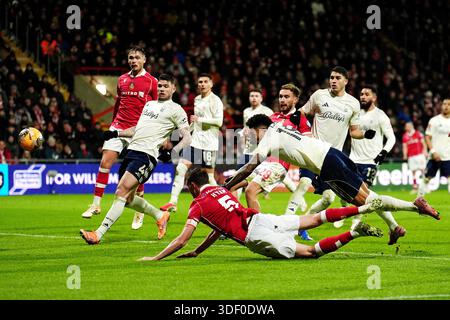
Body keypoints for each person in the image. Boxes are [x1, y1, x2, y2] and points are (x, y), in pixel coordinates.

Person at [222, 115, 440, 229]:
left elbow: (250, 166)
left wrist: (228, 184)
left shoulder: (268, 136)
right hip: (332, 152)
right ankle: (395, 225)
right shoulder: (279, 127)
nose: (252, 137)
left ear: (260, 128)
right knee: (367, 197)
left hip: (326, 165)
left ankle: (415, 206)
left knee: (366, 202)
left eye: (252, 132)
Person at [139, 167, 385, 261]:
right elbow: (218, 227)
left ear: (192, 186)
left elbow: (182, 238)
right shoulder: (219, 189)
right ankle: (362, 208)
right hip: (261, 217)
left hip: (255, 236)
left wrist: (156, 258)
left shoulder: (197, 205)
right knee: (312, 219)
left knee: (309, 252)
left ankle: (353, 232)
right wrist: (198, 251)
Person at [80, 74, 191, 245]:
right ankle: (160, 215)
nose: (161, 89)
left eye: (165, 86)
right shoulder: (149, 104)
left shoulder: (176, 110)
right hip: (132, 151)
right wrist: (116, 133)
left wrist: (172, 152)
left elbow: (187, 137)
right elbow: (136, 129)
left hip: (146, 156)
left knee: (120, 192)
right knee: (129, 199)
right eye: (159, 86)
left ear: (173, 89)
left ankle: (98, 234)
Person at [81, 46, 158, 232]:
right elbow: (118, 102)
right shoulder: (122, 79)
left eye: (137, 57)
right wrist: (113, 124)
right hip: (118, 126)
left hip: (138, 130)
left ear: (144, 60)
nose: (133, 60)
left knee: (136, 176)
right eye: (131, 57)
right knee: (105, 161)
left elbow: (156, 107)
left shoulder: (152, 82)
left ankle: (139, 212)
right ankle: (96, 204)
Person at [285, 67, 375, 222]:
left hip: (332, 157)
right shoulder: (319, 95)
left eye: (338, 78)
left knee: (327, 198)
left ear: (346, 81)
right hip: (312, 150)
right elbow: (302, 112)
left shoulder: (353, 103)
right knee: (304, 184)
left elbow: (353, 131)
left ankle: (304, 222)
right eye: (332, 77)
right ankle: (285, 222)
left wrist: (365, 134)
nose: (333, 80)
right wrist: (303, 131)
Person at [232, 84, 312, 241]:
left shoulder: (299, 119)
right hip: (262, 162)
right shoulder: (272, 118)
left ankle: (260, 231)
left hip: (278, 165)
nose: (282, 99)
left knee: (250, 191)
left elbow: (309, 142)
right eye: (281, 96)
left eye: (286, 96)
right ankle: (239, 224)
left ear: (295, 99)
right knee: (231, 185)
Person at [337, 85, 404, 246]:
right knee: (347, 193)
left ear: (374, 97)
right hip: (353, 159)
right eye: (361, 94)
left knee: (364, 197)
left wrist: (383, 152)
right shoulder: (355, 114)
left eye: (366, 94)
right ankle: (393, 226)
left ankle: (357, 222)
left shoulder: (381, 116)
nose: (363, 97)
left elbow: (392, 138)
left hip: (370, 162)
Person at [160, 73, 224, 213]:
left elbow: (219, 122)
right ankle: (173, 202)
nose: (202, 84)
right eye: (200, 82)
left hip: (209, 144)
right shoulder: (197, 99)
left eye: (205, 82)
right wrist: (187, 133)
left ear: (211, 84)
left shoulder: (216, 101)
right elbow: (195, 122)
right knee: (181, 169)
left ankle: (222, 205)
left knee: (210, 178)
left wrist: (199, 119)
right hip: (195, 142)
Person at [418, 98, 450, 197]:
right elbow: (427, 137)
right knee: (427, 178)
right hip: (434, 156)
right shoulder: (434, 120)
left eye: (448, 104)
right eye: (444, 104)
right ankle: (418, 200)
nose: (446, 106)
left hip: (448, 156)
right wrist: (433, 151)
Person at [402, 122, 428, 193]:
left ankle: (425, 187)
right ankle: (415, 187)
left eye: (407, 126)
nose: (406, 127)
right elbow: (405, 147)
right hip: (411, 156)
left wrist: (425, 151)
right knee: (413, 172)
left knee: (423, 171)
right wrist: (405, 155)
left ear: (411, 126)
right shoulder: (405, 136)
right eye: (406, 126)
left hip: (420, 155)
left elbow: (423, 143)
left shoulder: (418, 133)